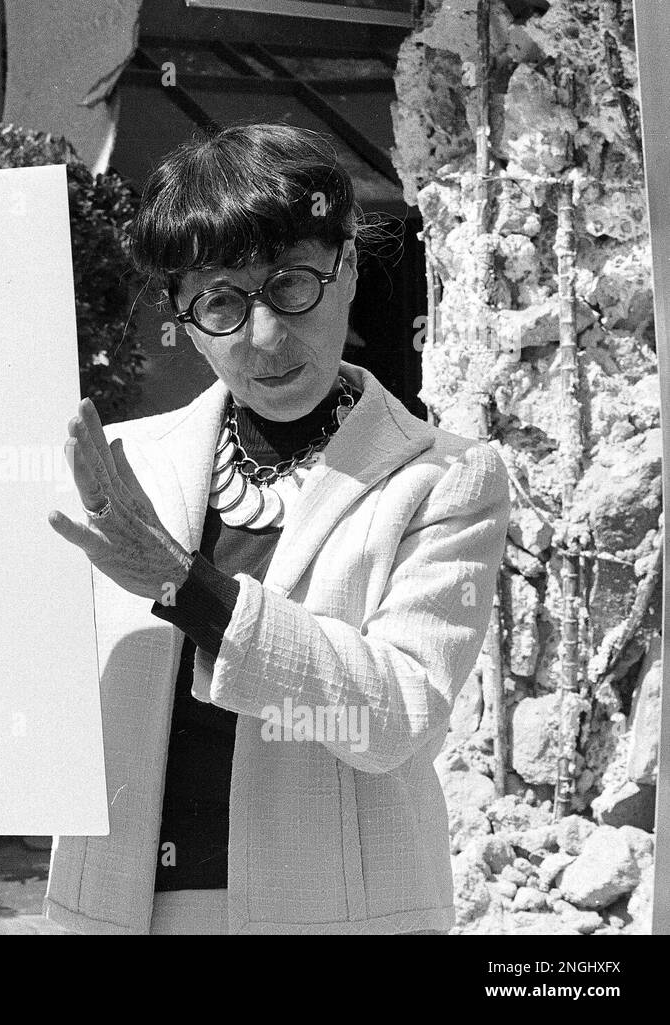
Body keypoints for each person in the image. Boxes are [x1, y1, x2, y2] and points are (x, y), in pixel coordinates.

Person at [43, 123, 510, 934]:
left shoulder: (446, 479)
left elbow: (393, 716)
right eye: (221, 300)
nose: (264, 336)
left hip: (336, 914)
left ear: (351, 267)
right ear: (187, 320)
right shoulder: (118, 469)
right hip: (120, 909)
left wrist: (182, 584)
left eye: (293, 283)